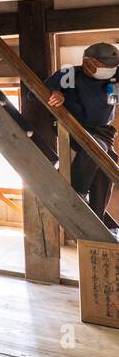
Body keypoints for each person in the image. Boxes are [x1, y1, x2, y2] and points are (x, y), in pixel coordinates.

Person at [45, 42, 119, 225]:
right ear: (88, 62)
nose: (110, 70)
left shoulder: (115, 76)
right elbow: (39, 91)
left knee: (109, 163)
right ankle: (76, 193)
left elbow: (113, 101)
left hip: (103, 131)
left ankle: (96, 217)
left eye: (113, 66)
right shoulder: (70, 74)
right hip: (74, 126)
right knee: (96, 148)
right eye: (105, 66)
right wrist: (56, 92)